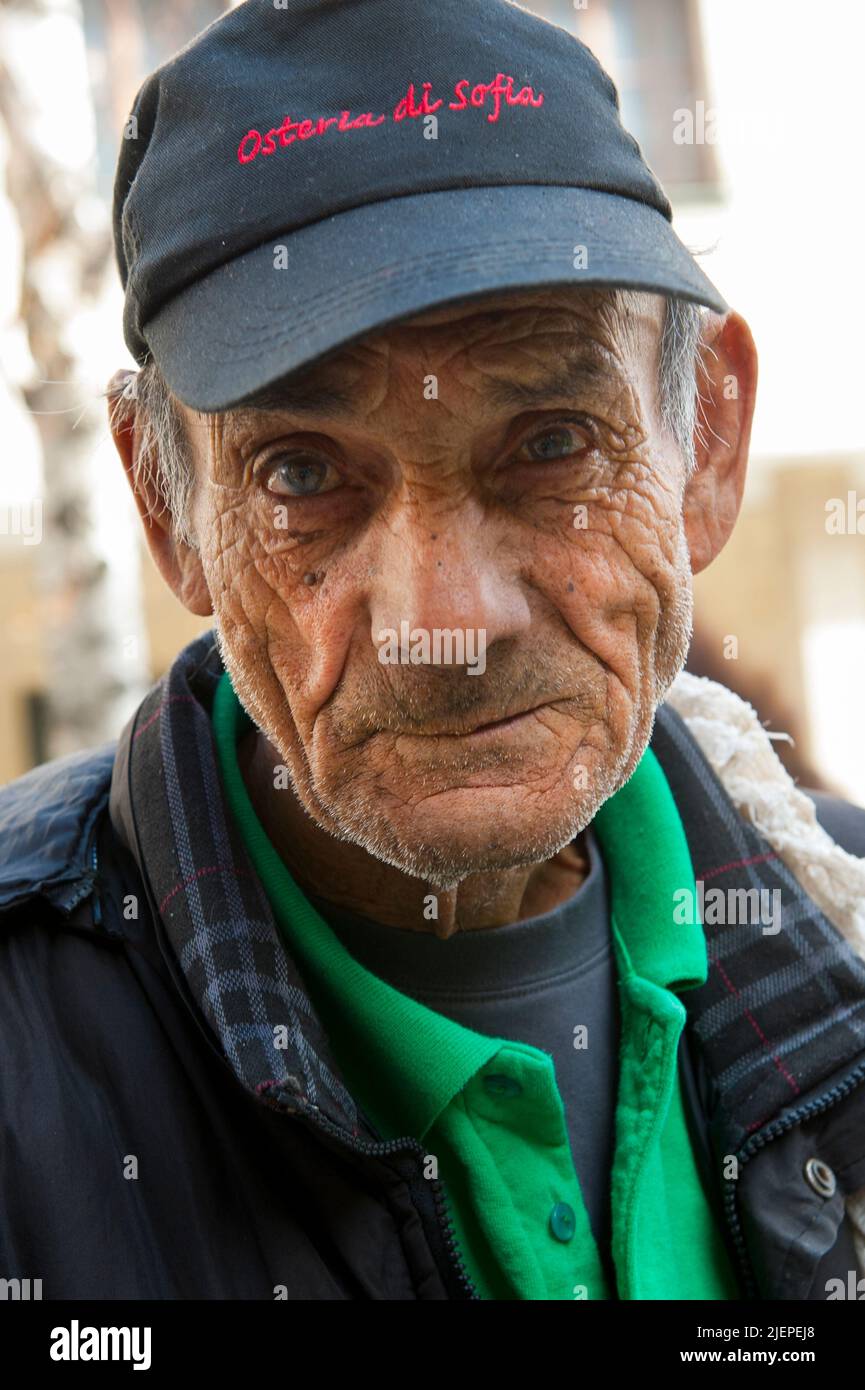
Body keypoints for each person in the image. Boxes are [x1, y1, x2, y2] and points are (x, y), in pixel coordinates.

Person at [1, 0, 864, 1301]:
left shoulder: (841, 917)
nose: (445, 617)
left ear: (707, 438)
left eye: (551, 441)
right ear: (168, 507)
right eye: (303, 472)